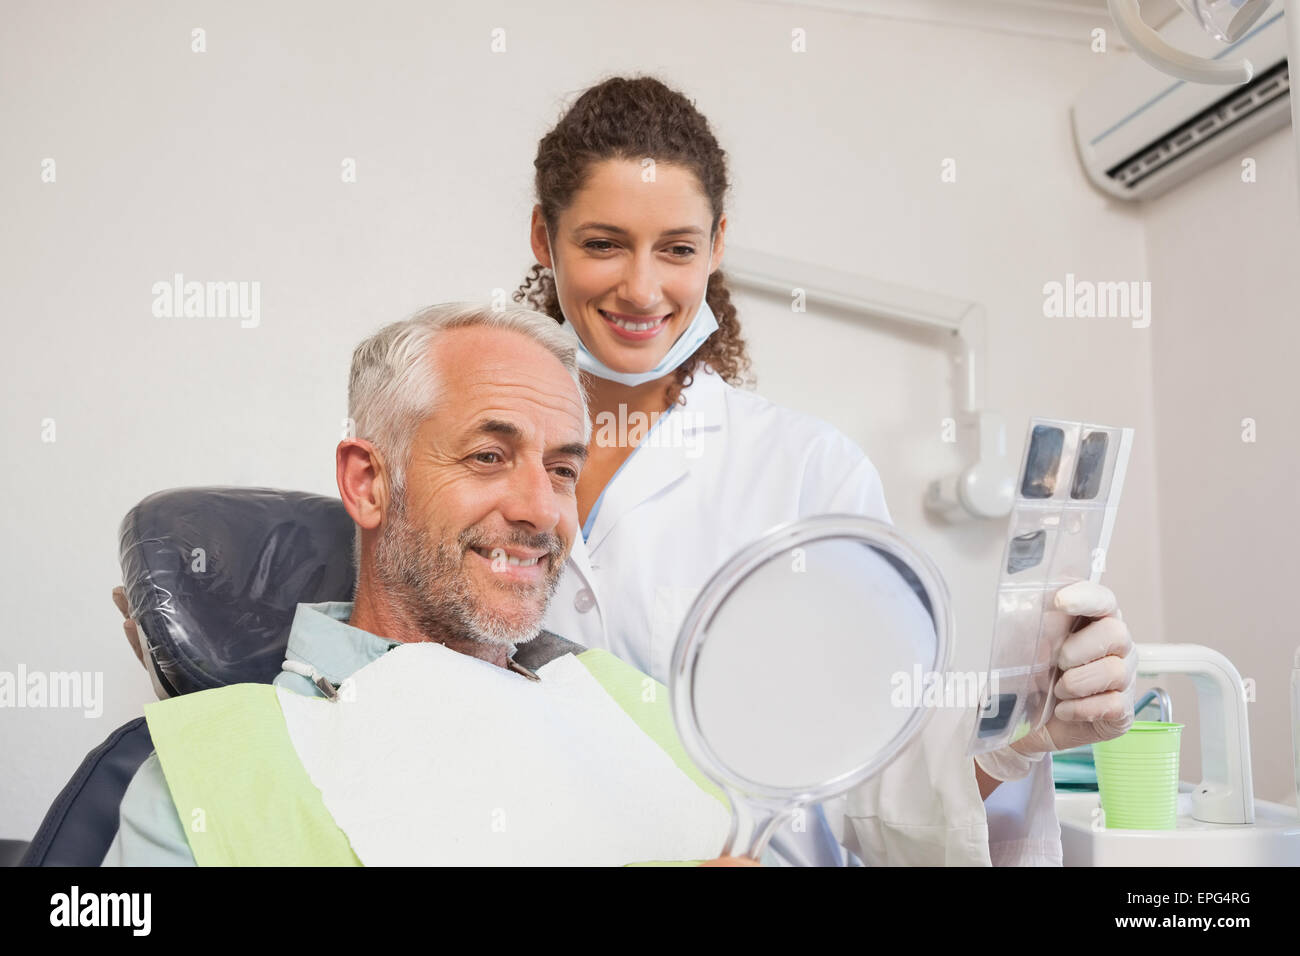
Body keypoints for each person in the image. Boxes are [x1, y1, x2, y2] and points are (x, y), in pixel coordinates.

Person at [512, 75, 1137, 865]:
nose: (643, 287)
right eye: (603, 243)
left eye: (677, 248)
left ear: (717, 246)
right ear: (544, 237)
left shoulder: (807, 471)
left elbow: (874, 765)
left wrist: (1019, 730)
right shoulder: (480, 459)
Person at [102, 304, 741, 866]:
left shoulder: (641, 708)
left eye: (563, 469)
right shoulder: (216, 777)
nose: (542, 510)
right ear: (368, 483)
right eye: (488, 456)